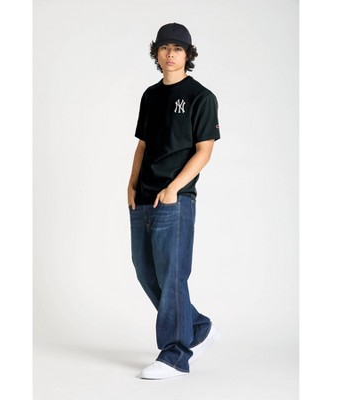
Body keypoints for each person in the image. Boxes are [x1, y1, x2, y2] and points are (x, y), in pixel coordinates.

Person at [127, 22, 221, 380]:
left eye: (177, 48)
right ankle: (197, 327)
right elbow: (143, 145)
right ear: (156, 52)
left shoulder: (201, 97)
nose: (170, 54)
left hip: (175, 200)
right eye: (164, 47)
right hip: (143, 197)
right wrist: (131, 184)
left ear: (187, 54)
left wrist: (174, 189)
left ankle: (176, 355)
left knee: (172, 276)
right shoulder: (150, 96)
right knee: (146, 272)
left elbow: (204, 151)